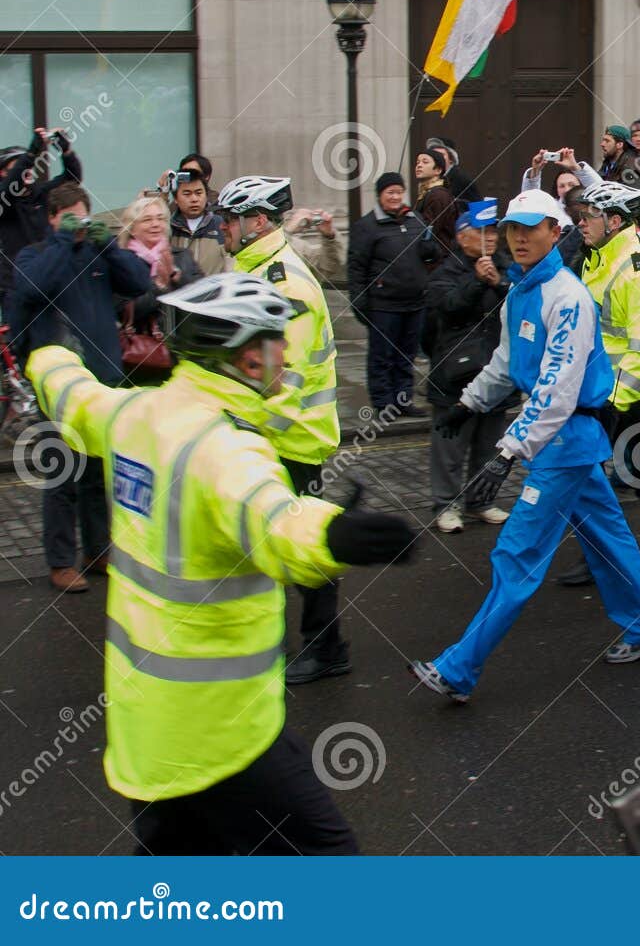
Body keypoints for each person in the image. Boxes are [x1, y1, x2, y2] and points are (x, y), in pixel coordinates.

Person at [26, 273, 417, 854]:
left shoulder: (135, 411)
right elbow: (272, 520)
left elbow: (75, 397)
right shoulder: (225, 447)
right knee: (329, 858)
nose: (288, 355)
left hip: (148, 725)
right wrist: (336, 536)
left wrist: (46, 353)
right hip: (223, 732)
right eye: (277, 342)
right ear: (248, 358)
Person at [413, 189, 640, 701]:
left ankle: (458, 670)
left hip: (564, 440)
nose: (518, 237)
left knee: (517, 556)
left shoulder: (568, 297)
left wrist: (507, 452)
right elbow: (506, 363)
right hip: (565, 442)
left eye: (530, 228)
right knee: (609, 541)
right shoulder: (521, 291)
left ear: (555, 233)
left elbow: (557, 390)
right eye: (512, 228)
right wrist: (468, 404)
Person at [215, 175, 346, 685]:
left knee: (303, 548)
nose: (222, 228)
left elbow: (282, 379)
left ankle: (326, 647)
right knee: (263, 542)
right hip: (270, 438)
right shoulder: (252, 270)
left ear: (257, 222)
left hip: (293, 440)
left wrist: (244, 432)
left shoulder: (284, 283)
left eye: (230, 219)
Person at [8, 183, 150, 592]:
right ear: (53, 218)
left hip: (102, 376)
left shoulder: (98, 253)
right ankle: (60, 562)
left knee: (96, 471)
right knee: (62, 472)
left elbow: (139, 282)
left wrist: (109, 246)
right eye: (69, 217)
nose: (80, 224)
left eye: (83, 216)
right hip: (59, 384)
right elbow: (33, 288)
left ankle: (97, 550)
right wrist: (63, 242)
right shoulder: (35, 254)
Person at [561, 181, 640, 587]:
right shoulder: (596, 259)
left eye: (589, 216)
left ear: (614, 221)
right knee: (591, 480)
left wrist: (615, 398)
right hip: (603, 391)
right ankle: (597, 556)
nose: (581, 223)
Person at [425, 199, 513, 534]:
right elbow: (447, 308)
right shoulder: (446, 271)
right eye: (481, 232)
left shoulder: (507, 268)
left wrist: (498, 283)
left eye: (493, 232)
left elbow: (519, 305)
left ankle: (481, 501)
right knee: (450, 445)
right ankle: (446, 504)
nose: (490, 238)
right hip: (456, 374)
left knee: (489, 444)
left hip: (496, 370)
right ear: (463, 237)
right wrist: (477, 282)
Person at [347, 171, 439, 414]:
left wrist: (430, 247)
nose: (396, 197)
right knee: (382, 356)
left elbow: (431, 254)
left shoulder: (415, 219)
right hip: (383, 305)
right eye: (390, 192)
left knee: (406, 356)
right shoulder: (366, 227)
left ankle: (403, 401)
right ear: (380, 195)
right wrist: (359, 301)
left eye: (399, 192)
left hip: (415, 302)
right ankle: (383, 403)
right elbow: (356, 267)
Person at [118, 194, 203, 383]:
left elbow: (204, 297)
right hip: (141, 358)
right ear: (132, 228)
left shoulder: (182, 256)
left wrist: (178, 279)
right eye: (147, 220)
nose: (155, 224)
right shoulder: (122, 261)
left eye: (160, 218)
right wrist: (159, 288)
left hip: (182, 354)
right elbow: (122, 309)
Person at [0, 126, 84, 299]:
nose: (28, 170)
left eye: (30, 167)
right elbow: (8, 189)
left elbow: (72, 179)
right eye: (20, 166)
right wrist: (31, 154)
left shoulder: (41, 193)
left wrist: (65, 151)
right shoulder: (4, 200)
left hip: (48, 279)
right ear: (3, 173)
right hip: (15, 287)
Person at [166, 167, 228, 276]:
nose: (194, 199)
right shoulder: (168, 227)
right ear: (175, 199)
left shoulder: (221, 225)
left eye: (199, 193)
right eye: (187, 194)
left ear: (206, 195)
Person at [413, 146, 458, 252]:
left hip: (439, 257)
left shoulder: (438, 195)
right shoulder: (427, 192)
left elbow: (427, 230)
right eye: (418, 162)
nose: (419, 165)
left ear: (438, 170)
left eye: (425, 162)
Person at [424, 135, 481, 203]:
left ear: (451, 159)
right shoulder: (430, 177)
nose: (437, 158)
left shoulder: (461, 179)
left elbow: (476, 204)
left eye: (441, 154)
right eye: (433, 155)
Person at [597, 123, 640, 187]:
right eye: (603, 140)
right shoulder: (608, 162)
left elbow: (631, 192)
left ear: (619, 145)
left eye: (607, 141)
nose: (602, 144)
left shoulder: (630, 167)